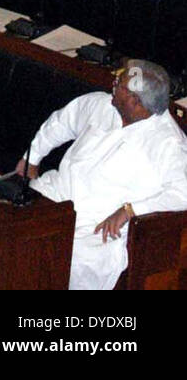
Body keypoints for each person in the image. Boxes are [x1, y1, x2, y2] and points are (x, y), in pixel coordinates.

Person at [18, 60, 187, 290]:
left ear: (135, 101)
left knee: (71, 260)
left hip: (98, 225)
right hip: (57, 194)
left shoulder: (169, 143)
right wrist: (33, 157)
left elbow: (182, 194)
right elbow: (62, 121)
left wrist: (130, 210)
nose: (113, 84)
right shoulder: (102, 104)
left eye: (120, 84)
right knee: (9, 220)